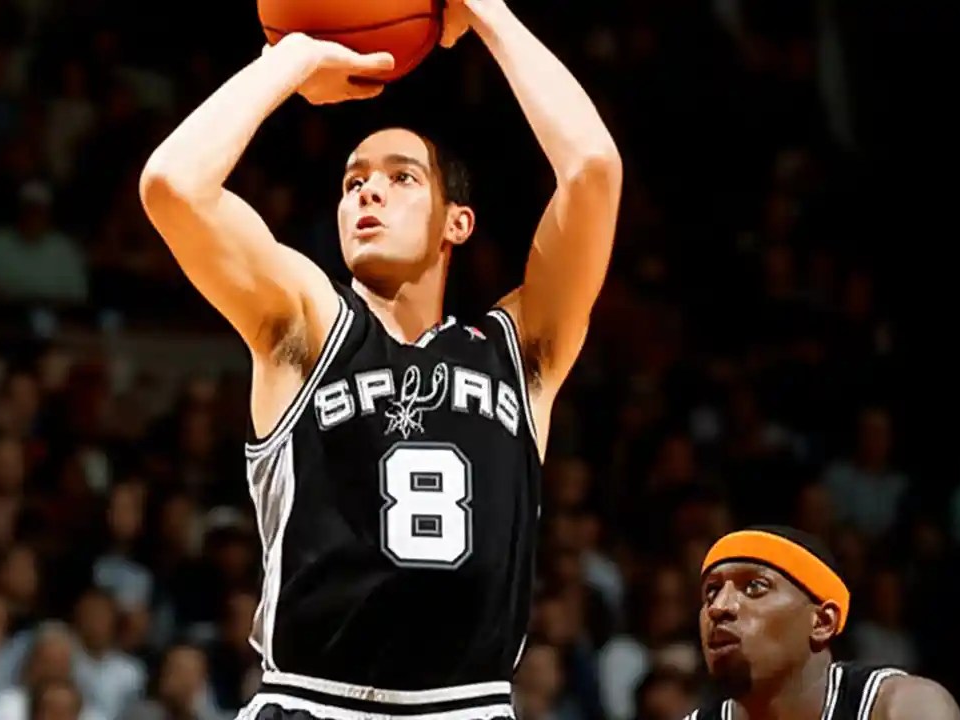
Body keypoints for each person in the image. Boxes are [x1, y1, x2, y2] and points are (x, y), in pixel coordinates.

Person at [139, 0, 622, 716]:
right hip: (313, 702)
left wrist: (486, 10)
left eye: (402, 177)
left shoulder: (519, 351)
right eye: (352, 180)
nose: (368, 189)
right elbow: (172, 185)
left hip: (467, 707)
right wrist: (291, 60)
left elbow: (593, 169)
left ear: (457, 222)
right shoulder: (306, 325)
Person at [687, 526, 960, 720]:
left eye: (755, 587)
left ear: (822, 622)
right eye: (711, 592)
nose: (718, 607)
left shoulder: (902, 707)